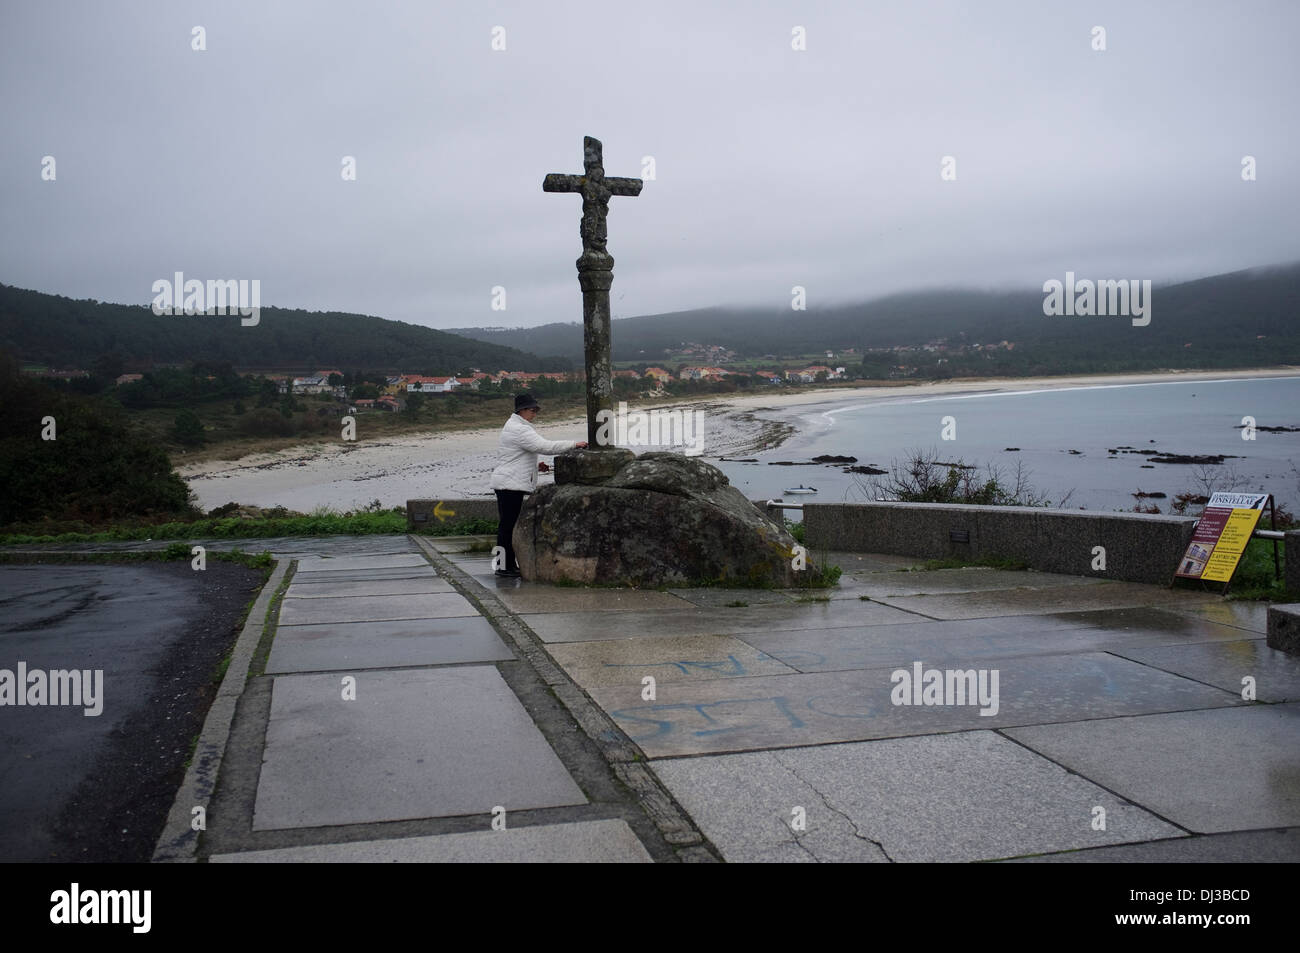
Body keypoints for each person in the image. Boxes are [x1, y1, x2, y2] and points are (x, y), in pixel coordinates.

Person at [489, 393, 587, 577]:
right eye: (532, 410)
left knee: (506, 527)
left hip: (507, 481)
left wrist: (536, 466)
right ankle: (503, 567)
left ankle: (505, 566)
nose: (535, 413)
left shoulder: (514, 426)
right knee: (507, 528)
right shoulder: (520, 429)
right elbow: (545, 447)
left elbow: (515, 457)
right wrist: (575, 444)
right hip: (510, 484)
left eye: (536, 410)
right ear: (522, 410)